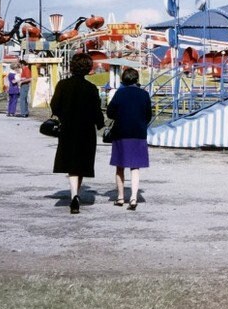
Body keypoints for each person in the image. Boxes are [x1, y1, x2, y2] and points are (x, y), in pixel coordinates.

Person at [50, 52, 105, 214]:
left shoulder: (62, 85)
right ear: (88, 69)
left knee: (71, 163)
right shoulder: (91, 88)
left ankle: (75, 194)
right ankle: (76, 194)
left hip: (68, 129)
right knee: (80, 164)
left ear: (72, 67)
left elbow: (55, 106)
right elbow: (97, 111)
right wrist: (101, 124)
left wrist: (63, 116)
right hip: (86, 131)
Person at [106, 67, 153, 210]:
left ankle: (120, 197)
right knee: (135, 166)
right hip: (138, 133)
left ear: (123, 80)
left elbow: (110, 113)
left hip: (121, 132)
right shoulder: (144, 94)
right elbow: (148, 115)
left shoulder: (119, 93)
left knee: (120, 166)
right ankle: (133, 197)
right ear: (136, 79)